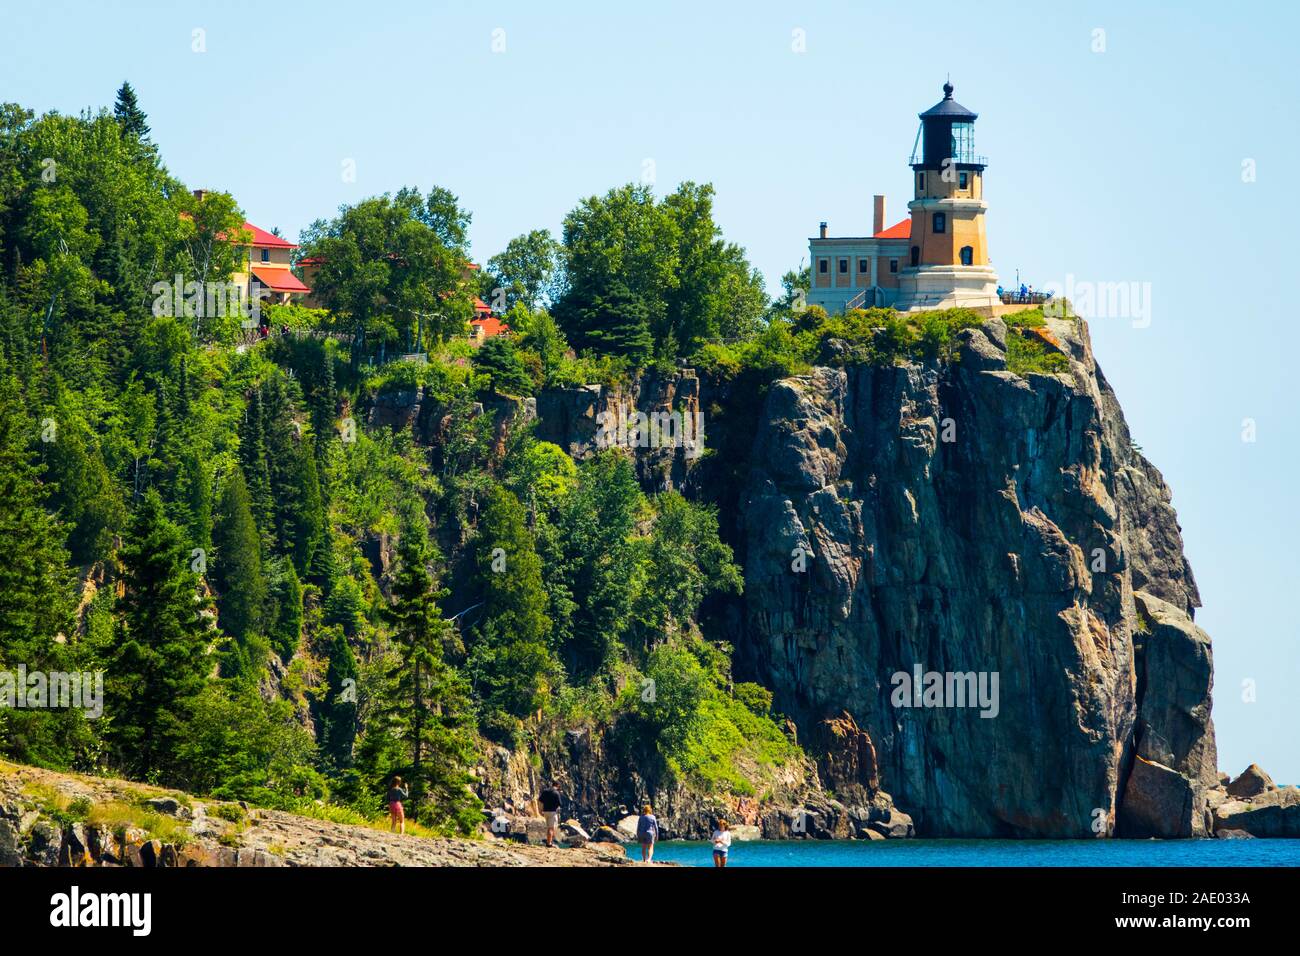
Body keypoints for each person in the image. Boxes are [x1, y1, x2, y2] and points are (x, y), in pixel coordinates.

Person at [539, 782, 563, 848]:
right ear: (557, 786)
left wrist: (540, 810)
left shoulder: (545, 791)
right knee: (551, 828)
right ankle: (549, 844)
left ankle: (549, 841)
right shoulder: (556, 793)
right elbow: (560, 804)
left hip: (545, 812)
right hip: (552, 812)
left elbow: (540, 801)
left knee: (549, 828)